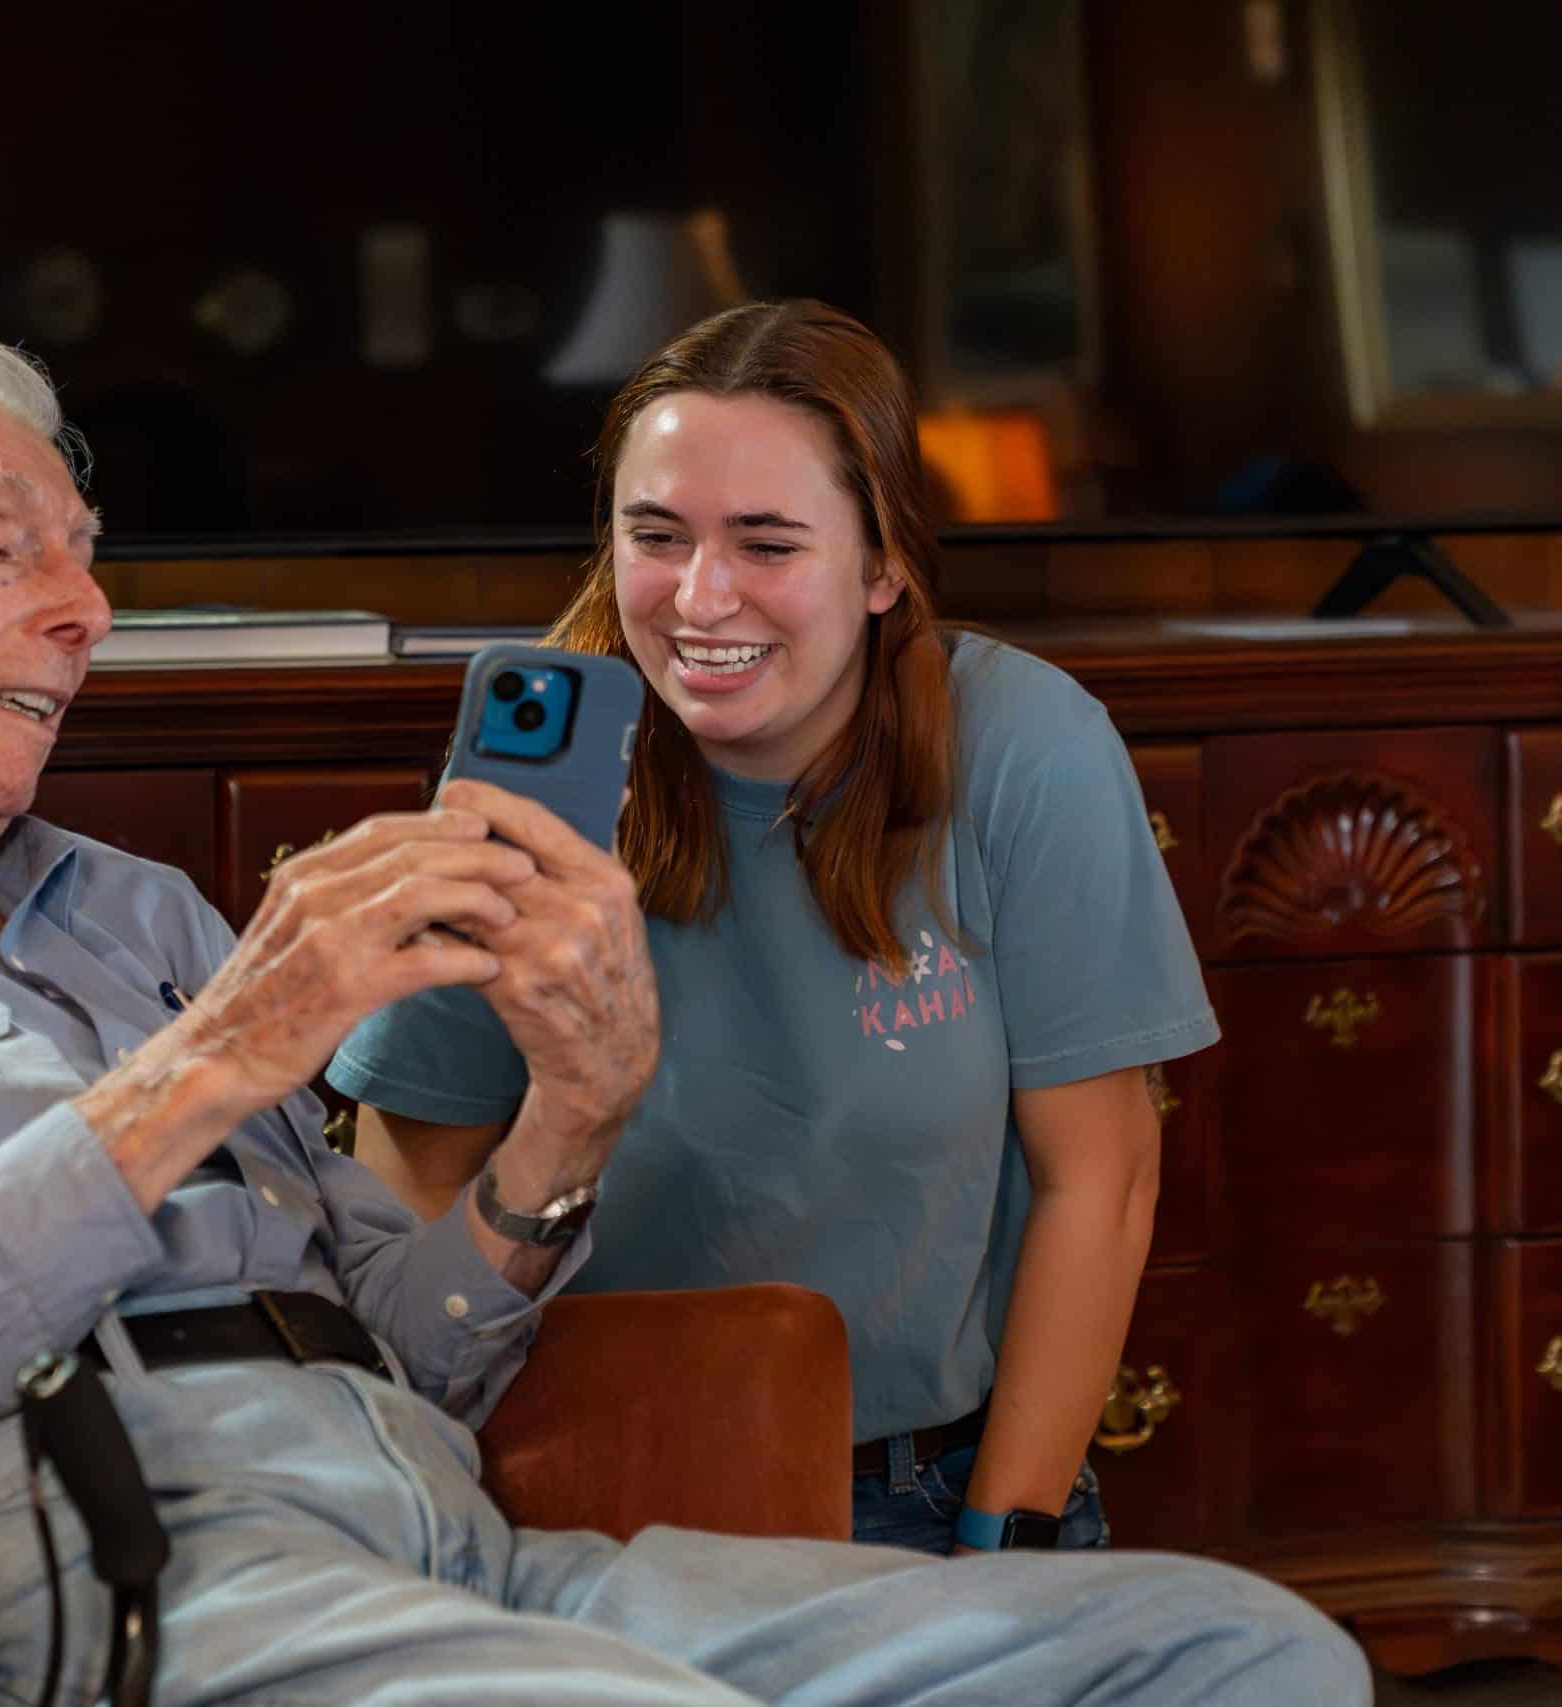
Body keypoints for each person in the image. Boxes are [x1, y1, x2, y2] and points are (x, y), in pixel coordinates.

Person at [0, 332, 1363, 1704]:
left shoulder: (131, 908)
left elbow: (401, 1338)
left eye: (84, 550)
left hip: (452, 1534)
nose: (89, 610)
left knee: (1240, 1652)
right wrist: (214, 1057)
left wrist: (567, 1134)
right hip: (115, 1546)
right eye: (8, 548)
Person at [330, 299, 1213, 1559]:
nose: (700, 598)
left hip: (928, 1492)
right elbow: (403, 1201)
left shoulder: (1023, 746)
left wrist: (1000, 1549)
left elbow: (1099, 1178)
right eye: (656, 535)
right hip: (571, 1483)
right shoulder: (539, 773)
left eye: (765, 542)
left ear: (881, 565)